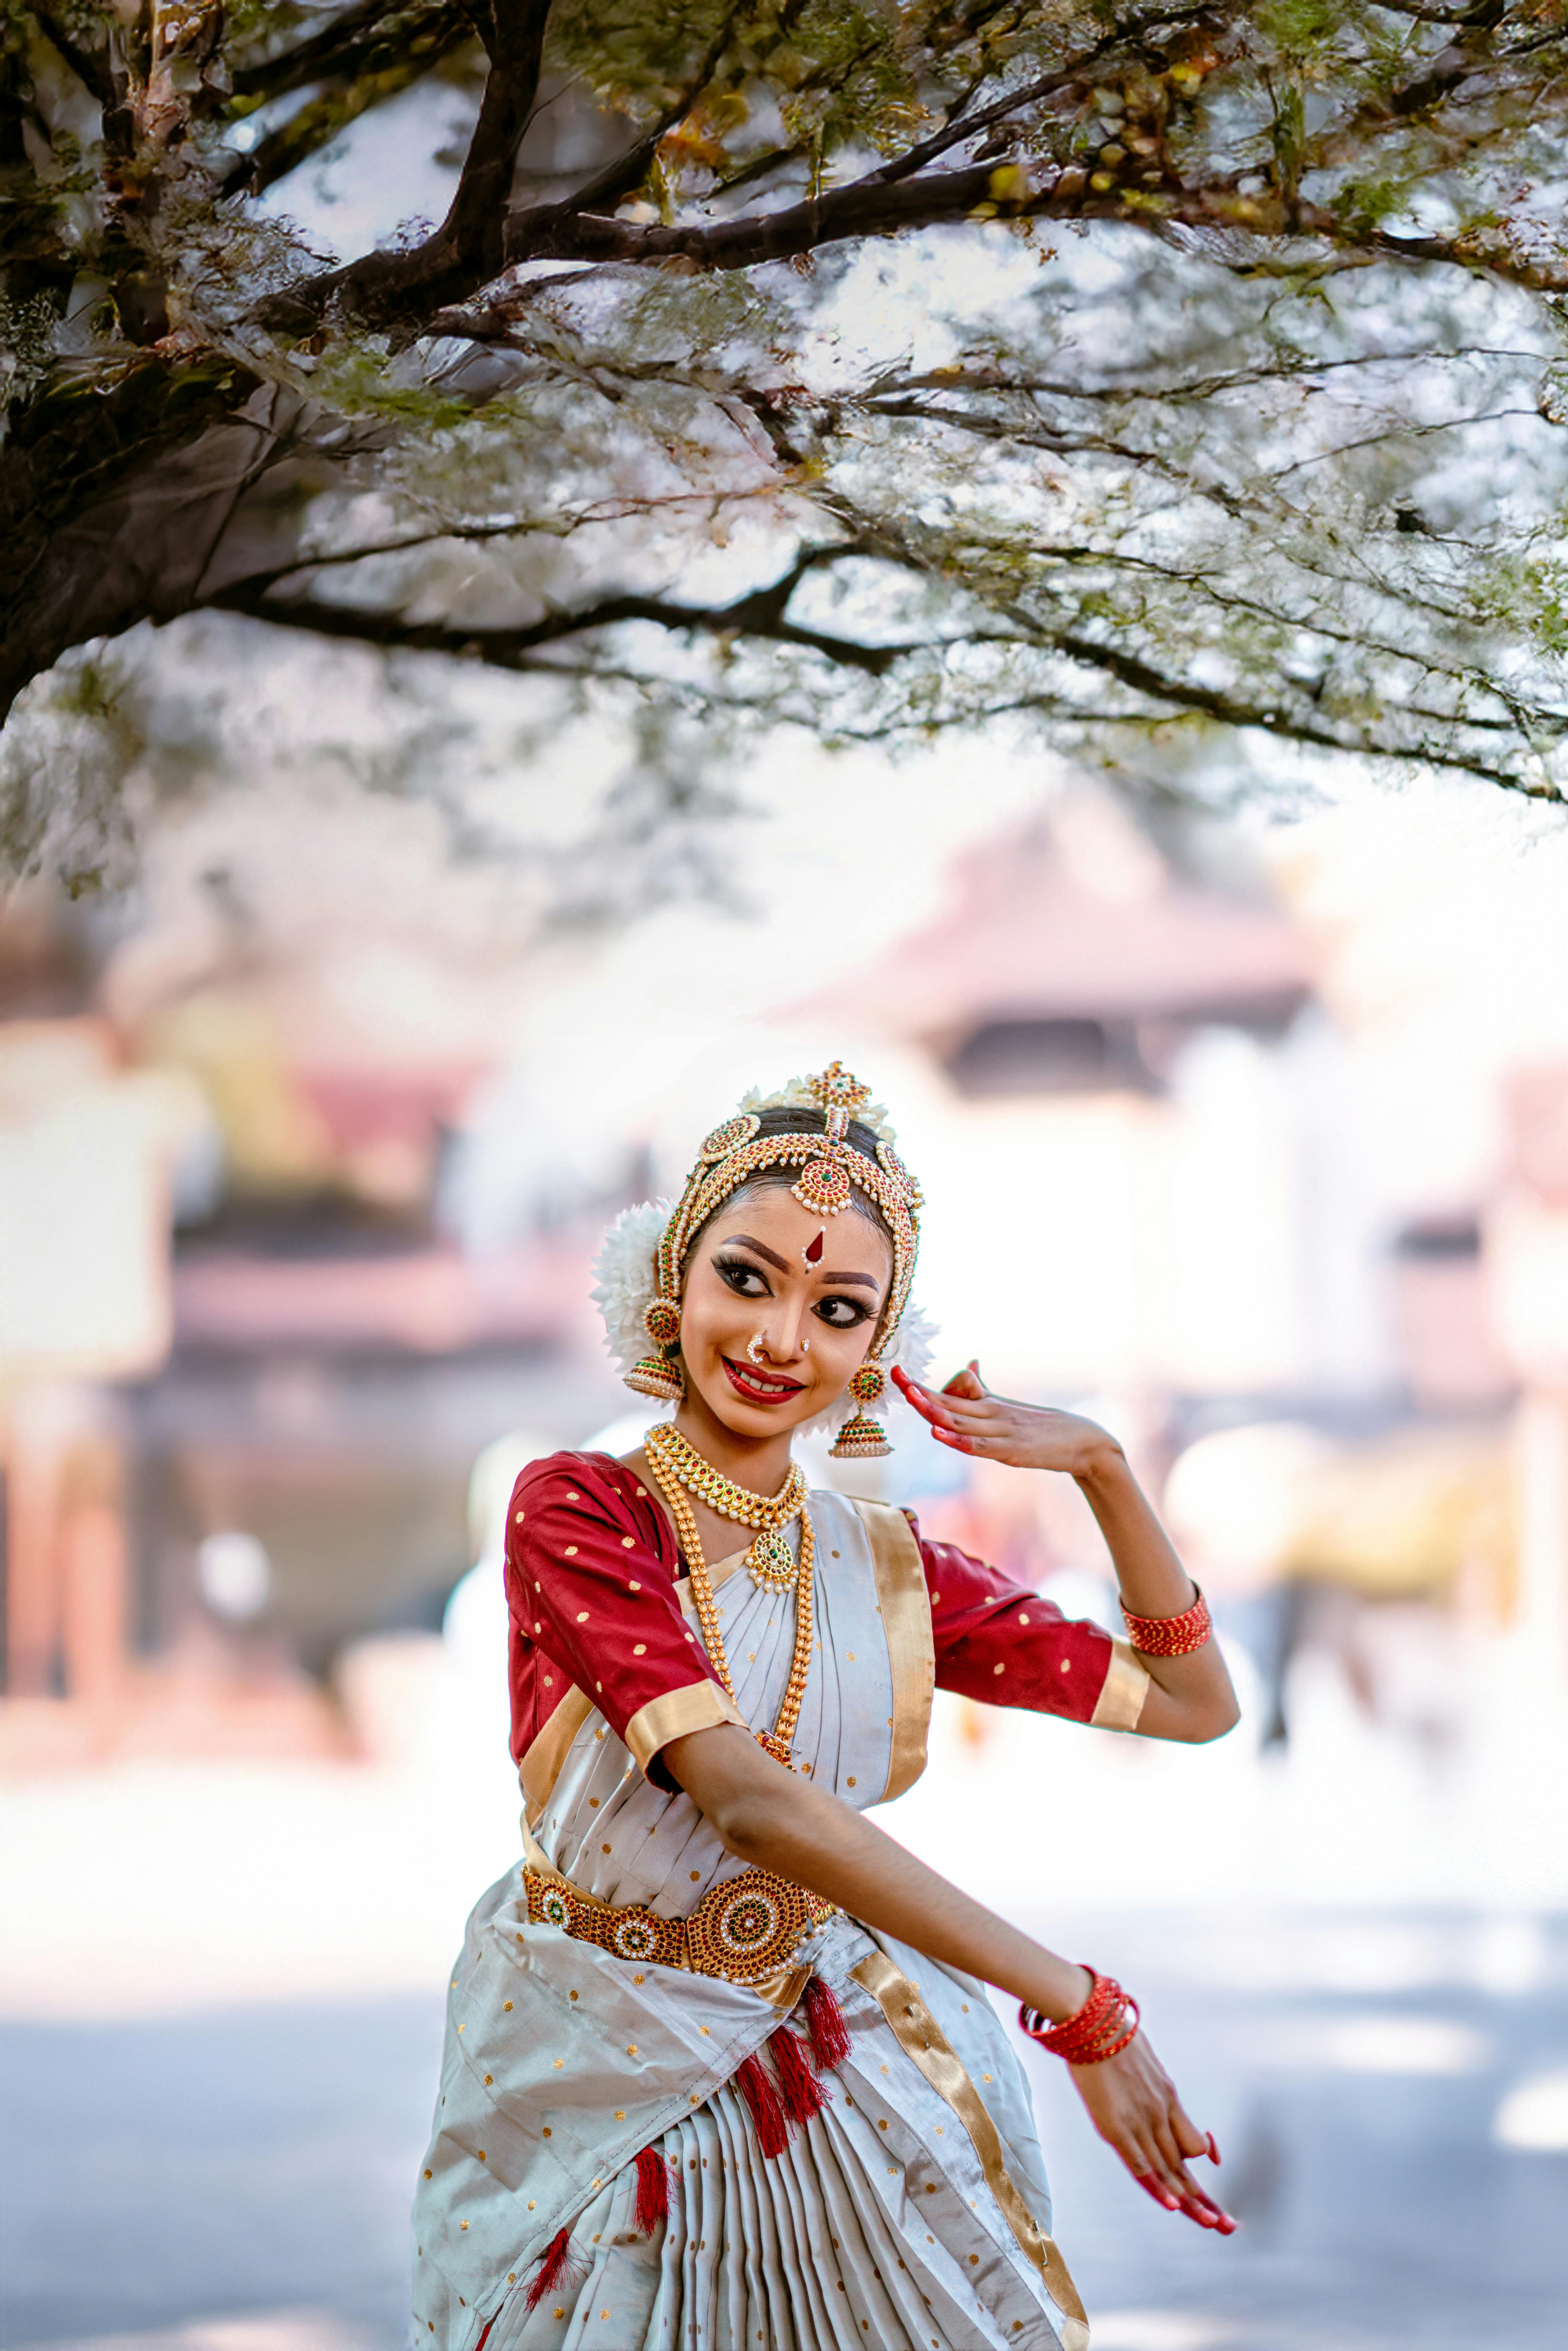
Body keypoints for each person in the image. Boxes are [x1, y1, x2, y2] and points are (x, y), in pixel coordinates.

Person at [412, 1064, 1240, 2350]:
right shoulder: (579, 1509)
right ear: (672, 1277)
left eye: (837, 1306)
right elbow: (740, 1795)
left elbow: (1194, 1701)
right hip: (593, 2065)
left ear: (872, 1353)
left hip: (838, 2065)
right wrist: (1074, 2000)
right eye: (747, 1278)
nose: (781, 1339)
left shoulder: (888, 1564)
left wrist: (1102, 1467)